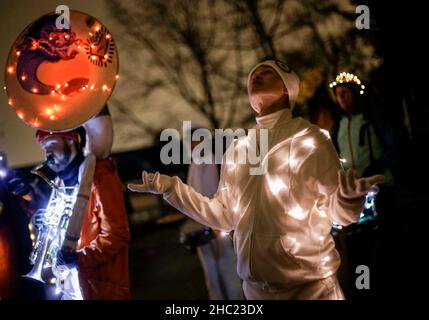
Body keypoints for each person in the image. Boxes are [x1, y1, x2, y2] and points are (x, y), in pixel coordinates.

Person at [128, 59, 384, 300]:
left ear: (287, 89)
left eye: (267, 73)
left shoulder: (311, 139)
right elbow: (224, 215)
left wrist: (348, 200)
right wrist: (172, 189)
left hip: (310, 289)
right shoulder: (238, 149)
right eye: (253, 75)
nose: (257, 76)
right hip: (255, 291)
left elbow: (339, 215)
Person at [34, 106, 131, 299]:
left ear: (72, 141)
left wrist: (80, 259)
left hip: (100, 289)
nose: (47, 152)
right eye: (43, 147)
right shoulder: (60, 184)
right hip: (69, 288)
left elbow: (118, 234)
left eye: (51, 143)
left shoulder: (101, 175)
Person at [180, 126, 244, 300]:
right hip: (201, 226)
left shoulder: (218, 161)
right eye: (191, 142)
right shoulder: (194, 164)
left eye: (197, 140)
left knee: (228, 268)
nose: (193, 145)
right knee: (211, 272)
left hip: (220, 224)